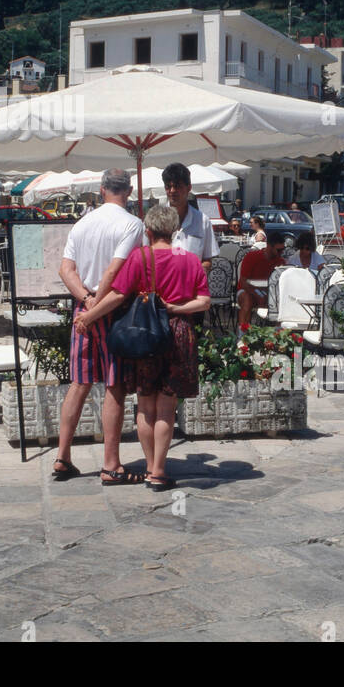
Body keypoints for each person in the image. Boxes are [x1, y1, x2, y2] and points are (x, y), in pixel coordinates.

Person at [74, 205, 210, 491]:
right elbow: (204, 302)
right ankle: (160, 470)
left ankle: (149, 468)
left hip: (146, 335)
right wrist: (175, 307)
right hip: (179, 332)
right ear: (174, 232)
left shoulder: (139, 257)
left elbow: (118, 294)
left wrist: (89, 315)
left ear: (147, 231)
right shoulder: (189, 259)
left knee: (146, 405)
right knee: (167, 407)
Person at [53, 168, 145, 484]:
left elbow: (66, 269)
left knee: (79, 383)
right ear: (129, 191)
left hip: (84, 306)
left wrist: (85, 301)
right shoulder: (133, 224)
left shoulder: (82, 223)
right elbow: (113, 271)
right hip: (112, 308)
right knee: (114, 385)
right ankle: (111, 463)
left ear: (102, 189)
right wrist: (97, 305)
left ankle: (62, 456)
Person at [160, 163, 218, 271]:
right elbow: (146, 256)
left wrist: (192, 275)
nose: (172, 191)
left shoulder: (203, 221)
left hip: (190, 285)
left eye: (177, 186)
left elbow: (208, 260)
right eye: (168, 186)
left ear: (189, 188)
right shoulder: (156, 220)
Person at [236, 237, 288, 327]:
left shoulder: (281, 261)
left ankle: (278, 333)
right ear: (269, 246)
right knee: (247, 300)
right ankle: (242, 333)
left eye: (283, 249)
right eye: (279, 250)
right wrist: (258, 295)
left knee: (283, 302)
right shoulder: (252, 257)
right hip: (247, 291)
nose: (281, 252)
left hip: (269, 294)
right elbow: (243, 282)